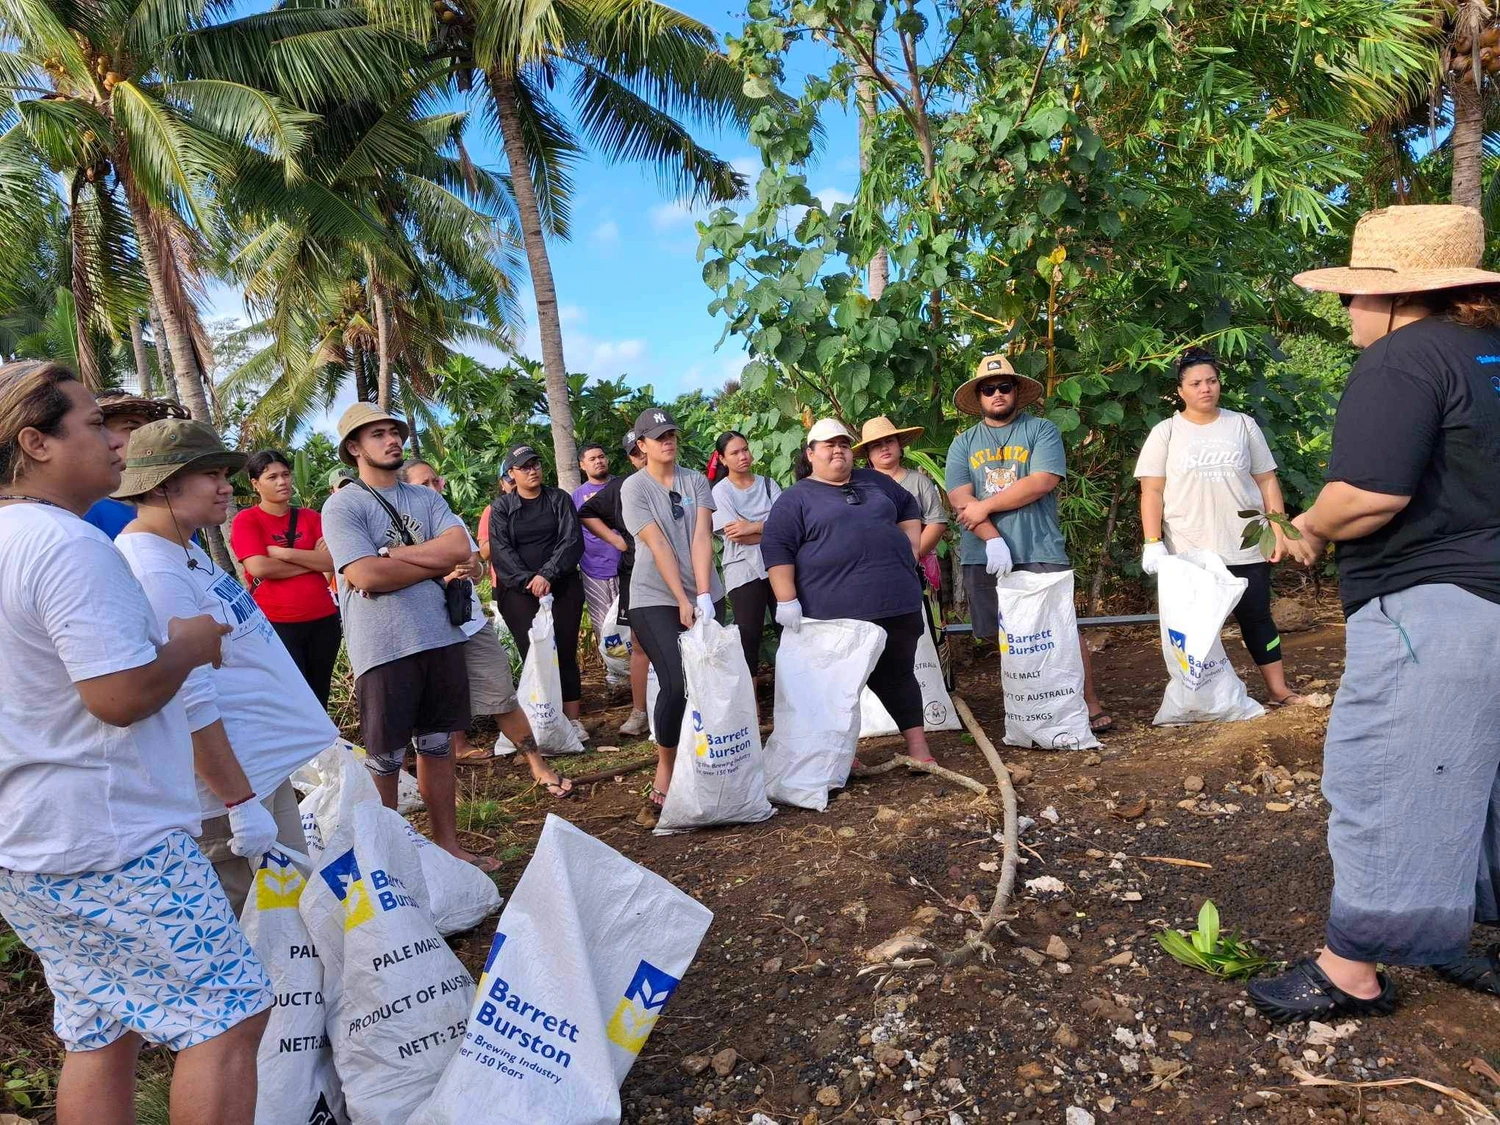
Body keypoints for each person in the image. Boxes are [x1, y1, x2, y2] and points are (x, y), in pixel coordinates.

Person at [1244, 204, 1500, 1022]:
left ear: (1397, 297)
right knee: (1486, 780)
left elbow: (1371, 493)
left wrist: (1311, 528)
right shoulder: (1487, 353)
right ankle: (1467, 926)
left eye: (1355, 296)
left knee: (1386, 769)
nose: (1347, 310)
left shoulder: (1402, 359)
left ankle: (1348, 968)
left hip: (1436, 605)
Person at [0, 361, 267, 1125]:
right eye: (92, 424)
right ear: (36, 442)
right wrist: (187, 644)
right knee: (229, 1016)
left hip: (30, 842)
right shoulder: (67, 545)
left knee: (97, 1026)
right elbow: (117, 696)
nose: (119, 443)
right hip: (113, 838)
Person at [114, 421, 337, 912]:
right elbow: (186, 697)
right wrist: (237, 803)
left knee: (292, 914)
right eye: (210, 475)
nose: (225, 486)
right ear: (165, 484)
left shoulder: (184, 548)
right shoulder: (153, 569)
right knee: (255, 919)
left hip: (256, 768)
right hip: (226, 794)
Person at [319, 403, 496, 871]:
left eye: (394, 432)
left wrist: (393, 553)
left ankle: (448, 847)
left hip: (440, 637)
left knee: (438, 746)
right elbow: (364, 574)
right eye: (377, 434)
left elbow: (461, 549)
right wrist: (428, 560)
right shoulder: (343, 505)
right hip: (383, 648)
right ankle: (387, 863)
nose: (391, 440)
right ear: (354, 448)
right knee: (386, 755)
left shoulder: (426, 498)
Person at [944, 353, 1112, 732]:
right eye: (989, 389)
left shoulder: (1041, 430)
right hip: (982, 553)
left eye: (1004, 386)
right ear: (979, 396)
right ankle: (1028, 708)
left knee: (1060, 626)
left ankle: (1088, 703)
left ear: (1016, 391)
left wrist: (985, 506)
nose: (997, 394)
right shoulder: (963, 443)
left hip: (1038, 546)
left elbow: (1042, 481)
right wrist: (992, 540)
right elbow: (959, 499)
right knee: (1002, 635)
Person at [762, 418, 937, 767]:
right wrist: (786, 600)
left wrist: (910, 545)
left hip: (896, 600)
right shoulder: (795, 499)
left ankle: (920, 751)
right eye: (829, 445)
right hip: (834, 610)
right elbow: (776, 547)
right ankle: (845, 754)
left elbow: (908, 507)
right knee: (840, 683)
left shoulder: (874, 480)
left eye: (843, 443)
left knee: (899, 674)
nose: (838, 449)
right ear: (811, 454)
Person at [1134, 349, 1303, 706]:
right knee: (1196, 629)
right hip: (1190, 550)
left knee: (1258, 618)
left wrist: (1278, 528)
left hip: (1244, 545)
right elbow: (1151, 491)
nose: (1205, 389)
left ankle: (1278, 689)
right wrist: (1152, 542)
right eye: (1195, 383)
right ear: (1180, 391)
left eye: (1211, 381)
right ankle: (1200, 700)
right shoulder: (1166, 433)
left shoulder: (1242, 425)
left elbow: (1267, 481)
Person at [400, 460, 573, 798]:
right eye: (425, 483)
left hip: (471, 623)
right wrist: (438, 575)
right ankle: (445, 791)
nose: (435, 487)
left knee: (502, 693)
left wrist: (472, 568)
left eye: (437, 480)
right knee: (435, 710)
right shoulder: (400, 529)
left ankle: (538, 767)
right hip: (427, 628)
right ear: (407, 489)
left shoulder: (451, 523)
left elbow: (479, 568)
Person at [620, 408, 725, 808]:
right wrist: (682, 599)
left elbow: (701, 536)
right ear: (642, 445)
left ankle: (710, 763)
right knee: (677, 682)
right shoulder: (634, 488)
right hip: (654, 597)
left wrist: (702, 595)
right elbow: (658, 544)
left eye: (671, 434)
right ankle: (665, 769)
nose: (668, 441)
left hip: (703, 593)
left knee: (708, 681)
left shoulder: (695, 480)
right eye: (658, 436)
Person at [486, 445, 590, 744]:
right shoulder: (501, 509)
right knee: (532, 652)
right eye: (524, 467)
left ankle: (572, 719)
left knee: (565, 650)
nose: (532, 470)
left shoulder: (559, 499)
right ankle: (542, 716)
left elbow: (571, 540)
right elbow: (501, 552)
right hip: (519, 592)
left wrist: (548, 574)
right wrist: (529, 580)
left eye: (535, 464)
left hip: (562, 586)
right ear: (511, 474)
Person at [230, 450, 341, 707]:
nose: (282, 482)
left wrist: (284, 553)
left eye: (286, 474)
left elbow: (333, 561)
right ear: (255, 484)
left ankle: (325, 747)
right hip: (277, 623)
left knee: (319, 695)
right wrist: (310, 559)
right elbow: (258, 567)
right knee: (292, 697)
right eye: (272, 477)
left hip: (323, 620)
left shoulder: (311, 517)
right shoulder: (247, 520)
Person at [579, 431, 652, 736]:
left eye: (645, 448)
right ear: (631, 457)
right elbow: (587, 512)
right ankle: (639, 712)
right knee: (639, 644)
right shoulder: (622, 487)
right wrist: (618, 541)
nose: (643, 456)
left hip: (677, 573)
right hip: (635, 573)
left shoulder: (680, 482)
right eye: (635, 453)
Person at [707, 430, 782, 677]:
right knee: (748, 637)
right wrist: (768, 527)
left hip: (778, 565)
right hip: (743, 570)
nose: (743, 456)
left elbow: (787, 528)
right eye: (735, 453)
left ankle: (794, 697)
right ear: (723, 459)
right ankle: (751, 707)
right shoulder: (721, 492)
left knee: (789, 630)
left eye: (745, 449)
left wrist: (753, 526)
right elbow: (736, 535)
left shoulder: (770, 485)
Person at [853, 415, 949, 589]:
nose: (884, 448)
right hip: (873, 568)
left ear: (899, 445)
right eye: (876, 445)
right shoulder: (860, 487)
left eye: (889, 441)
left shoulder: (919, 481)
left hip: (919, 564)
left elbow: (937, 522)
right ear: (868, 454)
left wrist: (912, 556)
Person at [82, 391, 188, 538]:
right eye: (131, 428)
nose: (145, 438)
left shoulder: (173, 511)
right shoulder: (84, 511)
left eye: (148, 430)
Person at [572, 442, 624, 667]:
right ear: (582, 465)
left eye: (601, 456)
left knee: (632, 622)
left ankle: (642, 677)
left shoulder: (623, 486)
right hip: (594, 571)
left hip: (627, 566)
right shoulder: (576, 496)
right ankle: (616, 677)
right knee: (605, 626)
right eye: (592, 459)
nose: (598, 461)